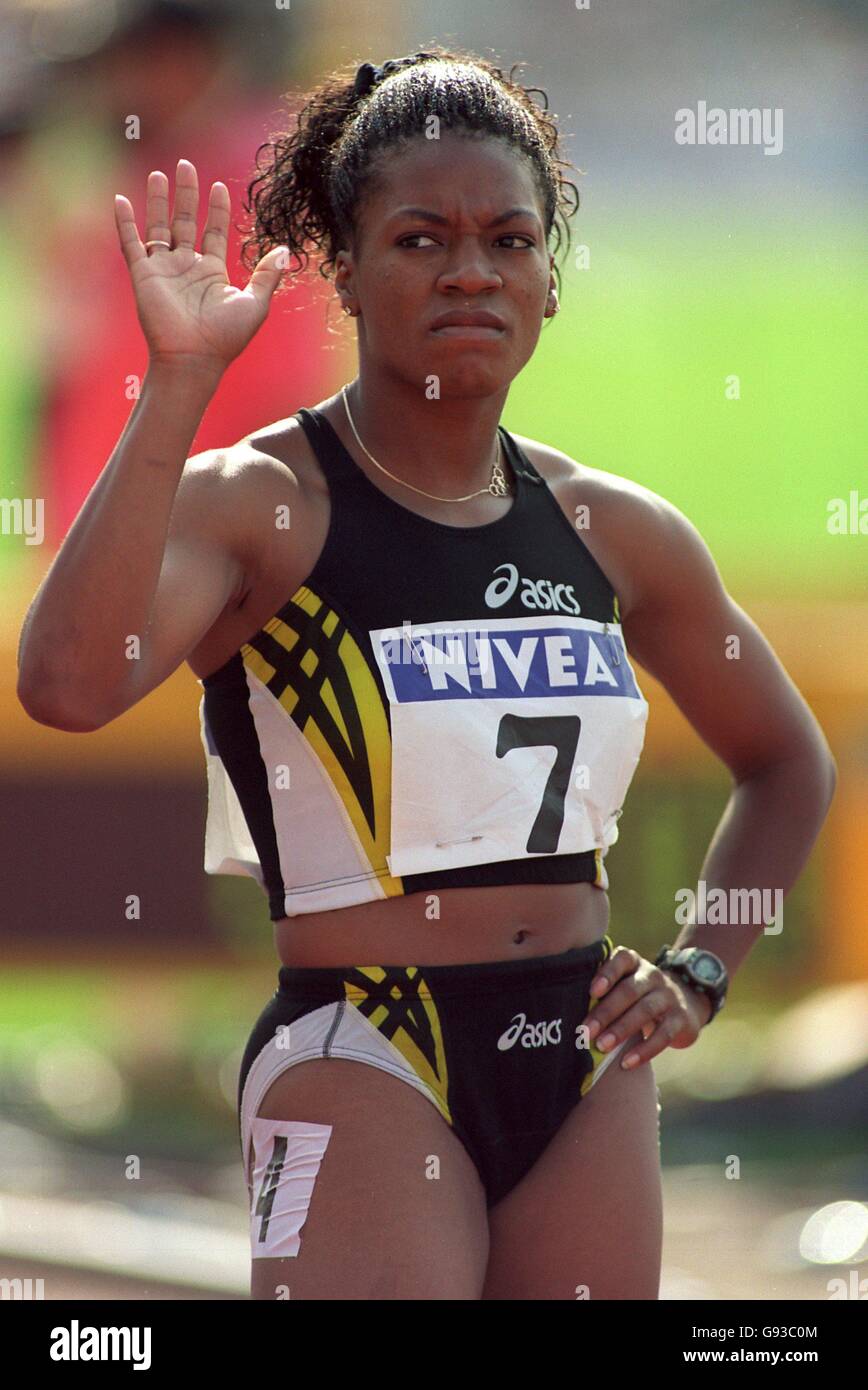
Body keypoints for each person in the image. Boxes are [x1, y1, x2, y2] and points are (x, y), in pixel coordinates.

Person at [17, 47, 837, 1301]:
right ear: (342, 270)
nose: (470, 269)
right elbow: (68, 688)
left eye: (509, 239)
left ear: (549, 282)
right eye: (419, 239)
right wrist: (178, 385)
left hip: (580, 1057)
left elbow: (786, 763)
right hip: (366, 1042)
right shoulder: (264, 504)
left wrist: (701, 969)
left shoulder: (616, 528)